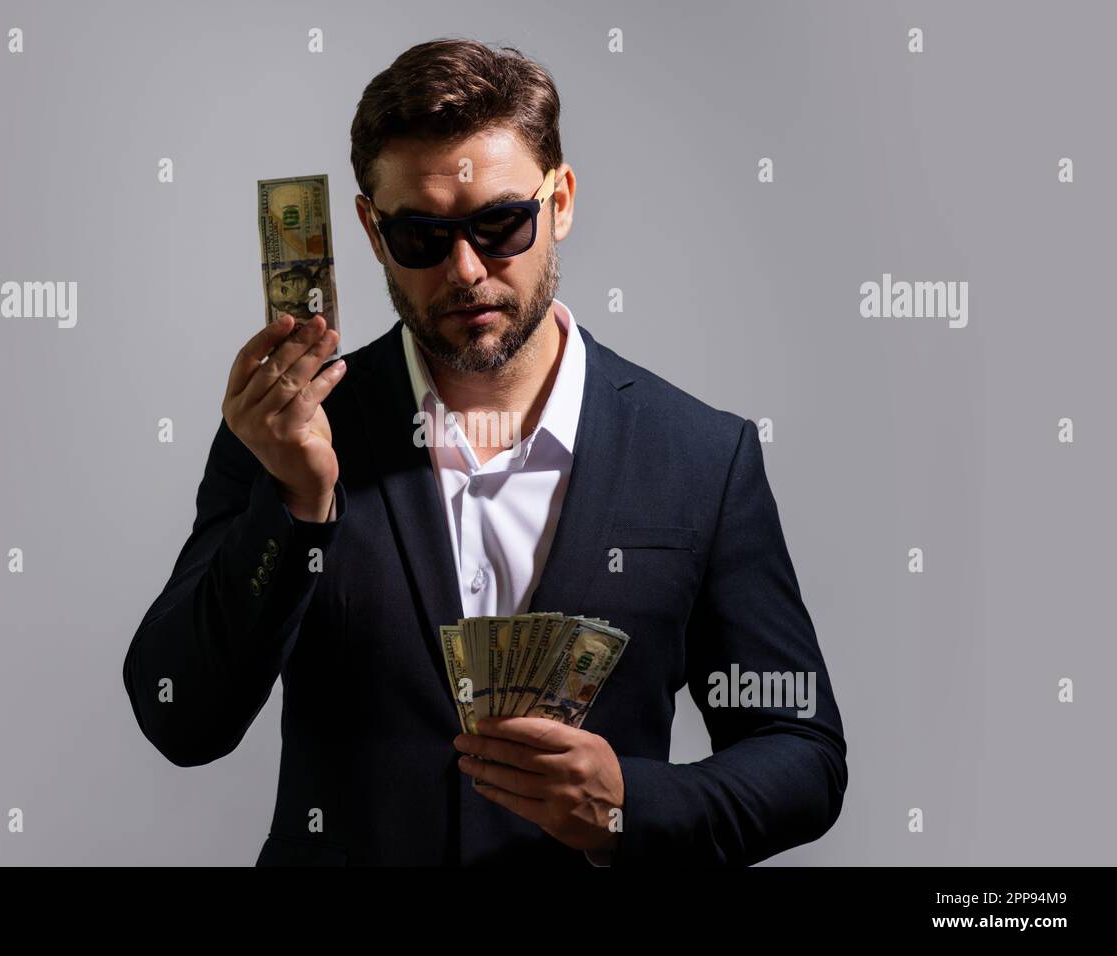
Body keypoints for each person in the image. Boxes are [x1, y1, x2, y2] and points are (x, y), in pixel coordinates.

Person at [122, 38, 847, 866]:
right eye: (422, 237)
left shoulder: (703, 458)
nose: (466, 272)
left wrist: (633, 806)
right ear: (369, 228)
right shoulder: (290, 432)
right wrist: (295, 506)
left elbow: (804, 752)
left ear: (561, 200)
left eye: (501, 223)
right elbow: (178, 717)